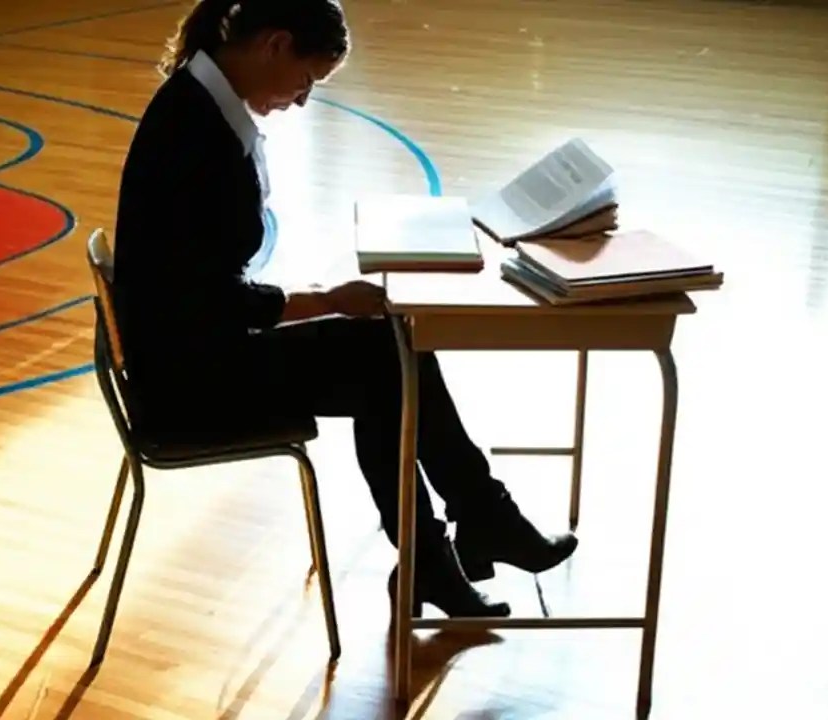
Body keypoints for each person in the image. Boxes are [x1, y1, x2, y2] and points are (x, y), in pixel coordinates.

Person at [111, 0, 577, 618]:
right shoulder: (193, 134)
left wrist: (324, 303)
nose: (305, 99)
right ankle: (465, 530)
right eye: (308, 79)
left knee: (383, 354)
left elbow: (203, 282)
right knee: (383, 357)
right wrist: (325, 301)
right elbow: (209, 302)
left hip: (192, 352)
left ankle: (445, 545)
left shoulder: (202, 108)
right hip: (184, 384)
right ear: (275, 45)